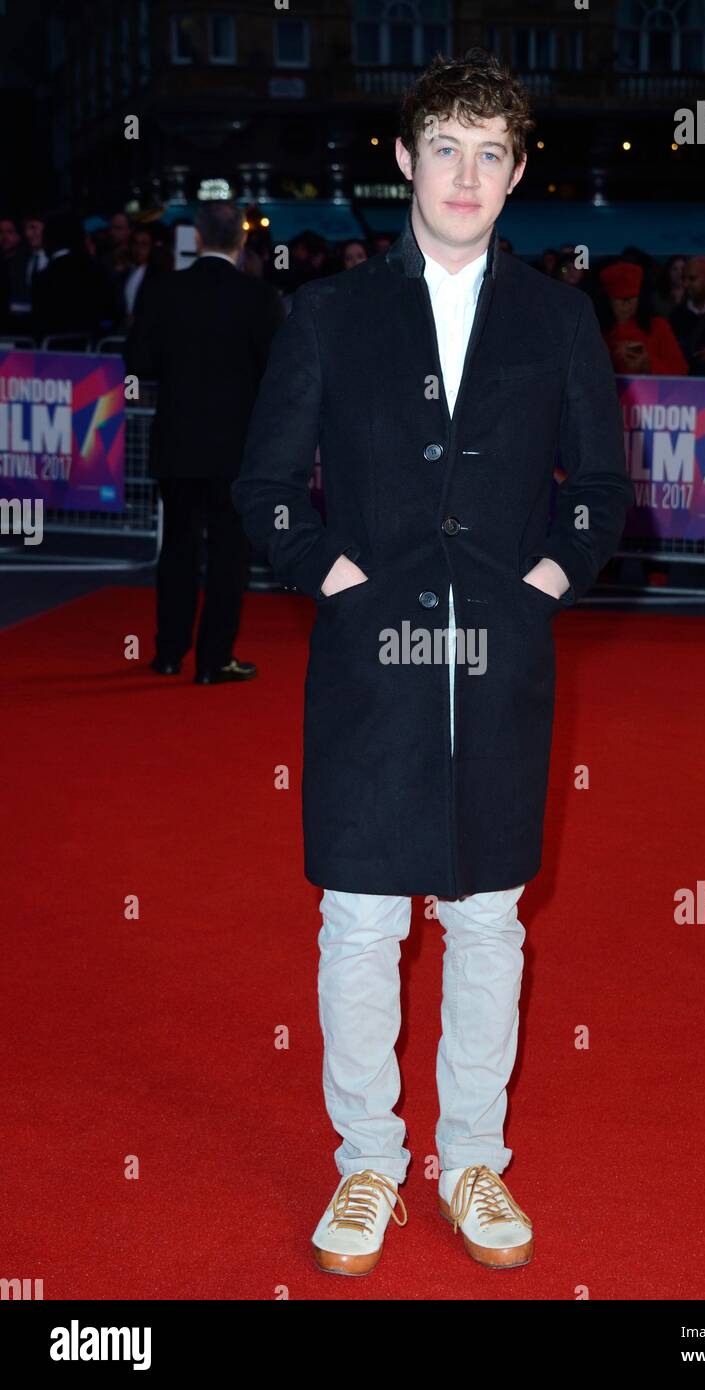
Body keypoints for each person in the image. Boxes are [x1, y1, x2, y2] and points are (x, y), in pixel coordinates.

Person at [231, 48, 634, 1277]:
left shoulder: (559, 318)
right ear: (404, 160)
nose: (465, 174)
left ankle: (469, 1158)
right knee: (356, 922)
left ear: (516, 176)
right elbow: (262, 486)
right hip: (370, 661)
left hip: (498, 665)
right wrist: (335, 583)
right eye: (444, 148)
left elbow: (601, 491)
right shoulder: (329, 315)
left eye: (490, 154)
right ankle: (366, 1161)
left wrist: (542, 590)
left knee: (486, 920)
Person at [124, 202, 285, 683]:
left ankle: (169, 653)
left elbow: (138, 363)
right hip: (236, 447)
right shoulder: (259, 297)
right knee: (229, 551)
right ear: (241, 239)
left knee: (176, 544)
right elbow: (276, 374)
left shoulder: (163, 290)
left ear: (196, 236)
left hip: (176, 440)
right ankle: (215, 661)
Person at [29, 212, 117, 341]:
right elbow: (112, 310)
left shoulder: (44, 277)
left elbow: (38, 321)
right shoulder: (98, 270)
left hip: (52, 353)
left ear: (49, 238)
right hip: (91, 351)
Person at [598, 260, 688, 375]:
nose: (626, 305)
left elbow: (681, 371)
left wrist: (647, 363)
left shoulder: (658, 327)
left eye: (631, 299)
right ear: (608, 301)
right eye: (620, 300)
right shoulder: (597, 331)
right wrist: (612, 357)